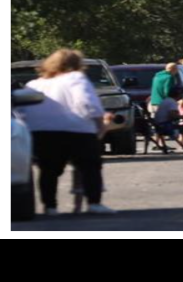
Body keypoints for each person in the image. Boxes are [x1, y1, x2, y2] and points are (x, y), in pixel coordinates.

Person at [15, 49, 116, 215]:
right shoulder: (76, 78)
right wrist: (99, 123)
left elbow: (23, 111)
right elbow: (86, 102)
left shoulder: (35, 84)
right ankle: (94, 203)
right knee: (89, 167)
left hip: (42, 132)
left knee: (48, 170)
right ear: (77, 64)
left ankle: (50, 206)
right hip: (78, 130)